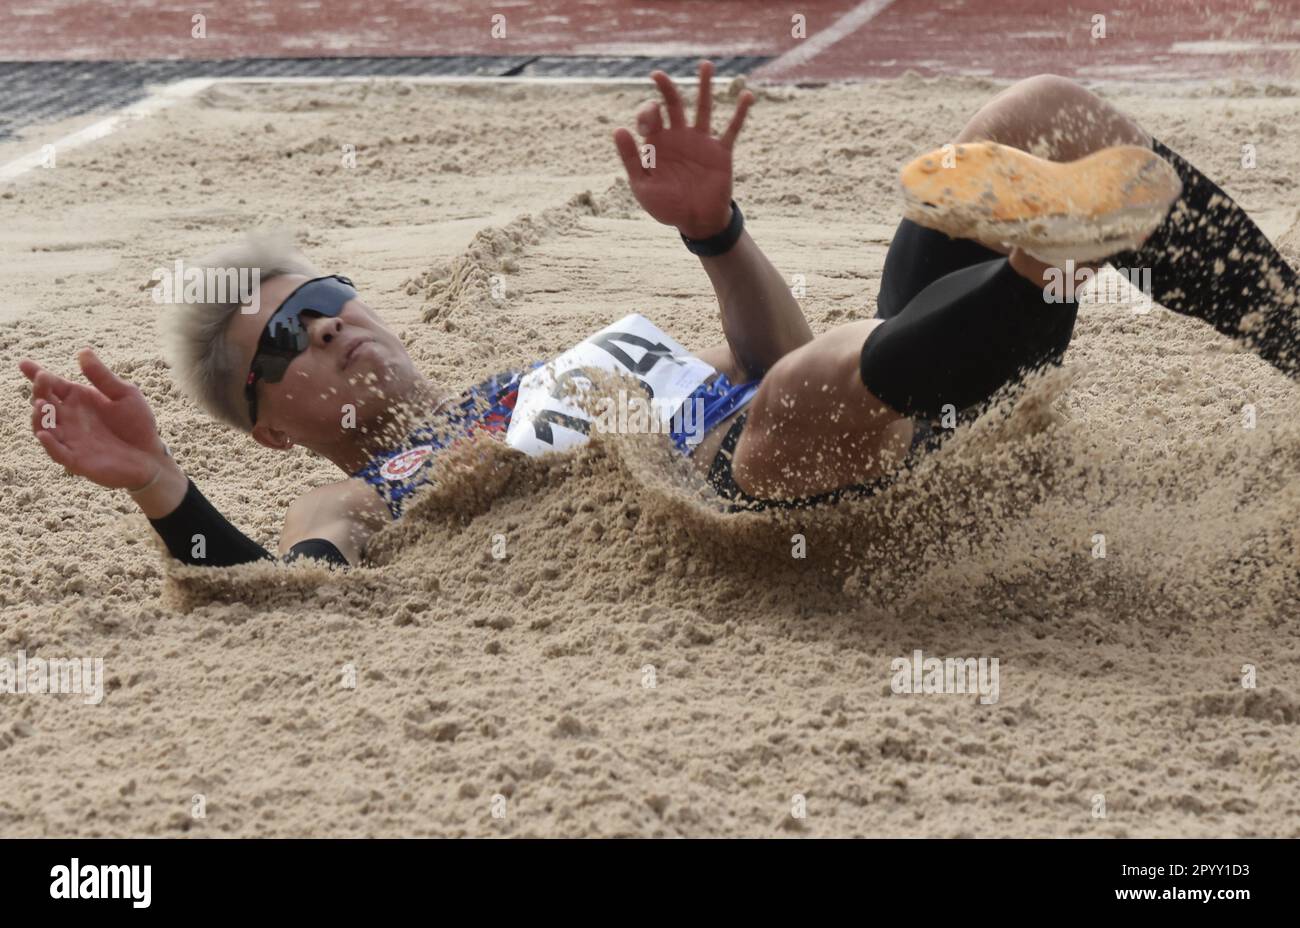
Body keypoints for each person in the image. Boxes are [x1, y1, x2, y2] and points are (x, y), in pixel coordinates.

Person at [20, 63, 1298, 568]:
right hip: (783, 498)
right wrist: (160, 487)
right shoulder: (368, 488)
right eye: (280, 353)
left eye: (319, 303)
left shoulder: (535, 372)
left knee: (1036, 113)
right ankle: (1044, 267)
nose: (323, 335)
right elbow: (282, 591)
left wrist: (714, 233)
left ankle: (1209, 308)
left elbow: (767, 352)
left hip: (869, 399)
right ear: (271, 429)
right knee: (795, 401)